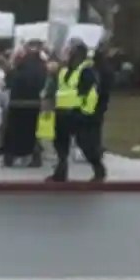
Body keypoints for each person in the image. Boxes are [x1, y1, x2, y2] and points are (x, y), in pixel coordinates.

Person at [47, 41, 107, 183]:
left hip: (78, 114)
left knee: (86, 144)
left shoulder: (86, 71)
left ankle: (99, 171)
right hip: (62, 113)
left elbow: (92, 94)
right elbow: (60, 90)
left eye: (69, 52)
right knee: (60, 145)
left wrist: (85, 112)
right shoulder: (64, 71)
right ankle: (60, 173)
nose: (66, 54)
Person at [2, 41, 48, 168]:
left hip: (17, 102)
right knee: (32, 132)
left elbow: (9, 81)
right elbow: (43, 83)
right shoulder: (41, 66)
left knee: (13, 132)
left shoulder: (19, 65)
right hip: (33, 103)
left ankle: (10, 157)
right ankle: (35, 156)